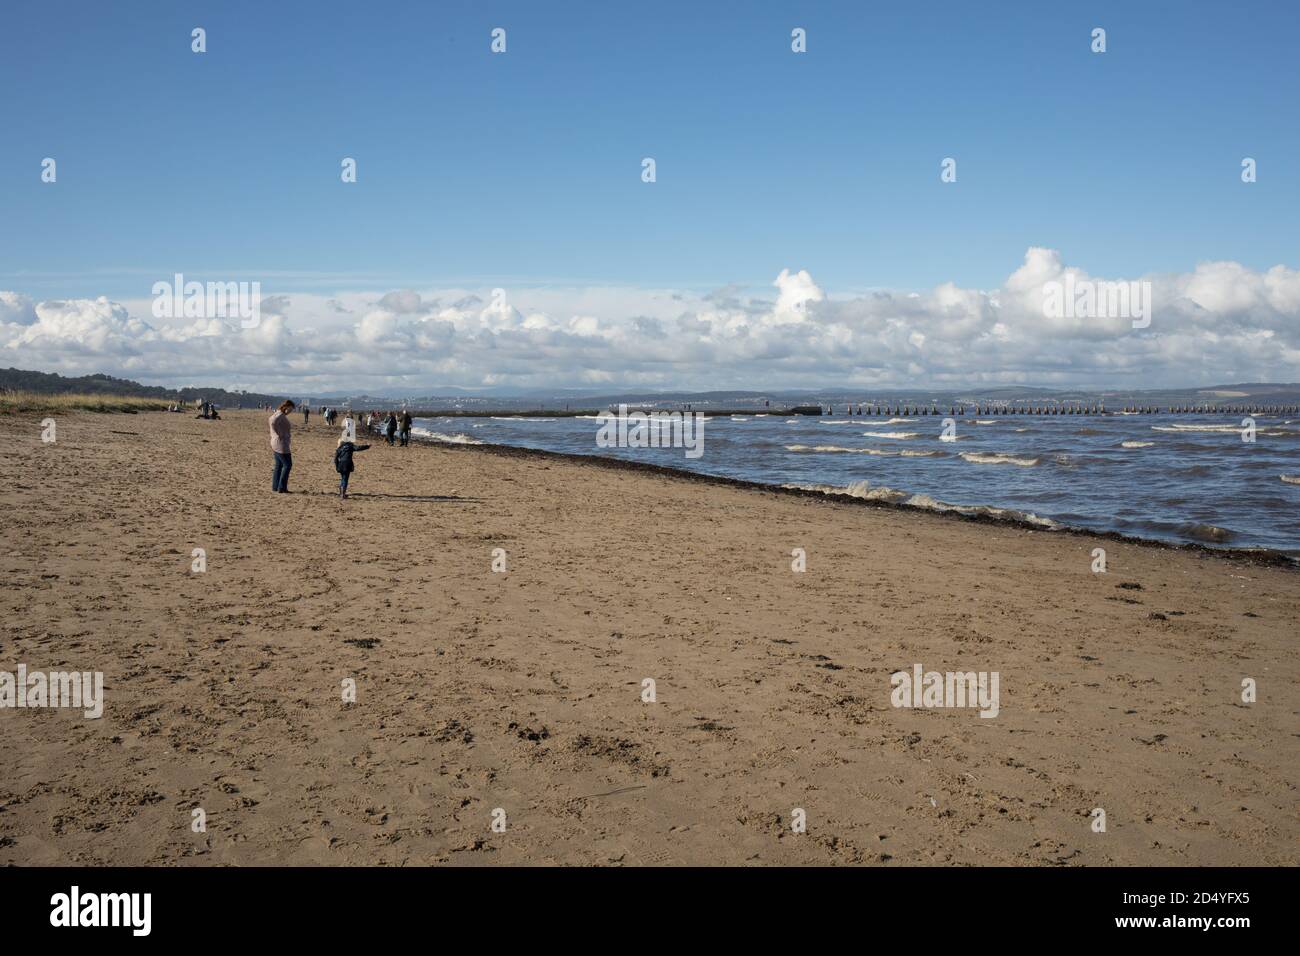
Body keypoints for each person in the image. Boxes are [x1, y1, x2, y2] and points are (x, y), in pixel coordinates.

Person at [334, 434, 372, 499]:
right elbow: (358, 448)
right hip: (347, 464)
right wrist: (367, 446)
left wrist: (337, 466)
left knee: (343, 478)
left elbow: (335, 459)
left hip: (341, 465)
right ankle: (343, 494)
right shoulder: (350, 446)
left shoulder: (339, 448)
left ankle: (341, 493)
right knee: (345, 479)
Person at [269, 400, 295, 493]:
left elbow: (271, 421)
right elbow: (272, 422)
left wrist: (275, 434)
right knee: (288, 465)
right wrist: (278, 434)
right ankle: (282, 487)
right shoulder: (280, 415)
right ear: (286, 407)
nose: (291, 411)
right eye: (290, 409)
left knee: (279, 465)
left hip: (276, 442)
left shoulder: (278, 413)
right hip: (281, 444)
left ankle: (275, 487)